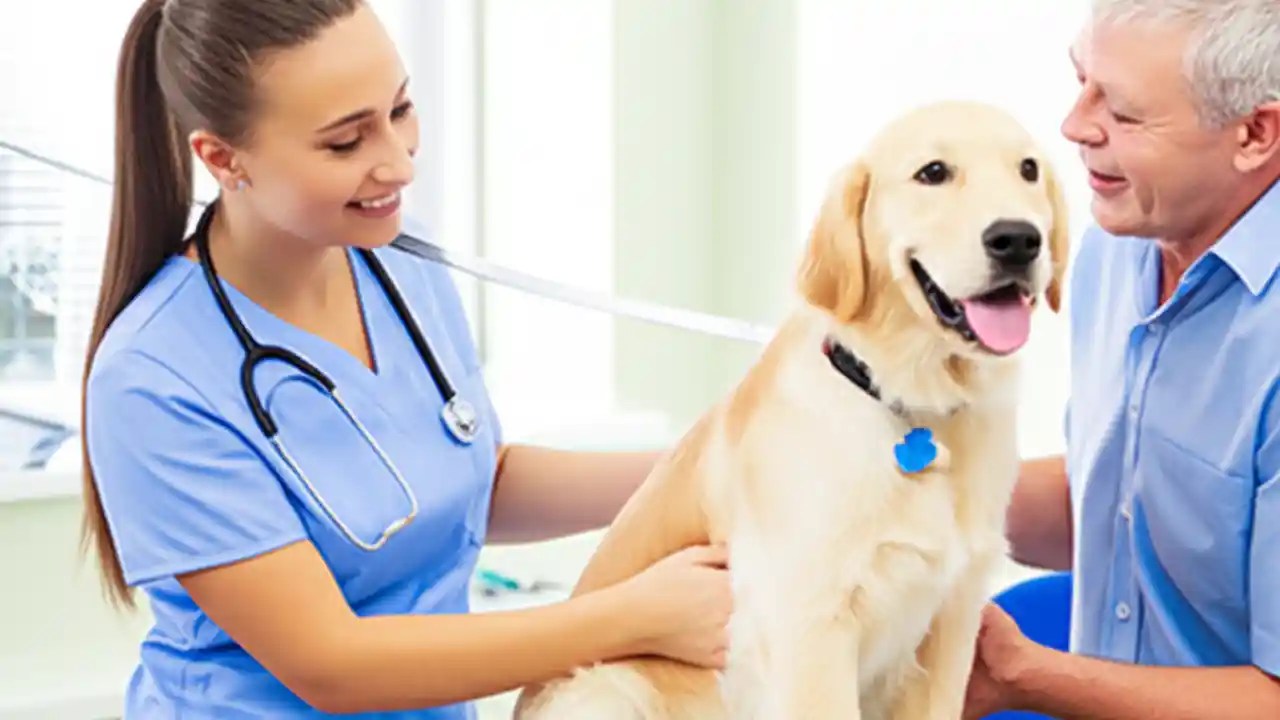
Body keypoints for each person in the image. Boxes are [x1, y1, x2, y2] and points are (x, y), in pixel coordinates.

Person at [80, 1, 732, 717]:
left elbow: (472, 480)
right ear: (222, 158)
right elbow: (331, 666)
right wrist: (635, 617)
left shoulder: (397, 264)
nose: (398, 161)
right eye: (344, 143)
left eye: (401, 109)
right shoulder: (151, 379)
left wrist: (710, 469)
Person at [963, 1, 1280, 718]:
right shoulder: (1122, 244)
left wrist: (1018, 676)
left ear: (1256, 133)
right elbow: (1114, 510)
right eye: (1083, 80)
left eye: (1126, 115)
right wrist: (914, 484)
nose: (1076, 125)